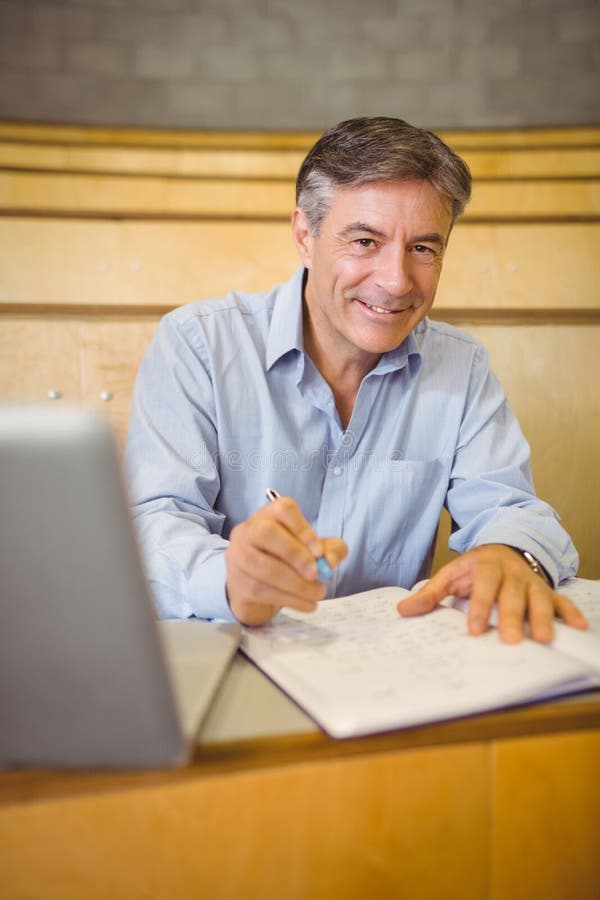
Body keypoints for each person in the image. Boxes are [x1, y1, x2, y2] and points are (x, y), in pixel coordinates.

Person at [124, 116, 586, 643]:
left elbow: (513, 509)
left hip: (391, 673)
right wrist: (228, 578)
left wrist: (509, 554)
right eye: (365, 241)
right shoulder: (198, 345)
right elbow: (155, 523)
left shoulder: (462, 366)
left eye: (423, 249)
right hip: (231, 650)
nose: (395, 281)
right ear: (305, 235)